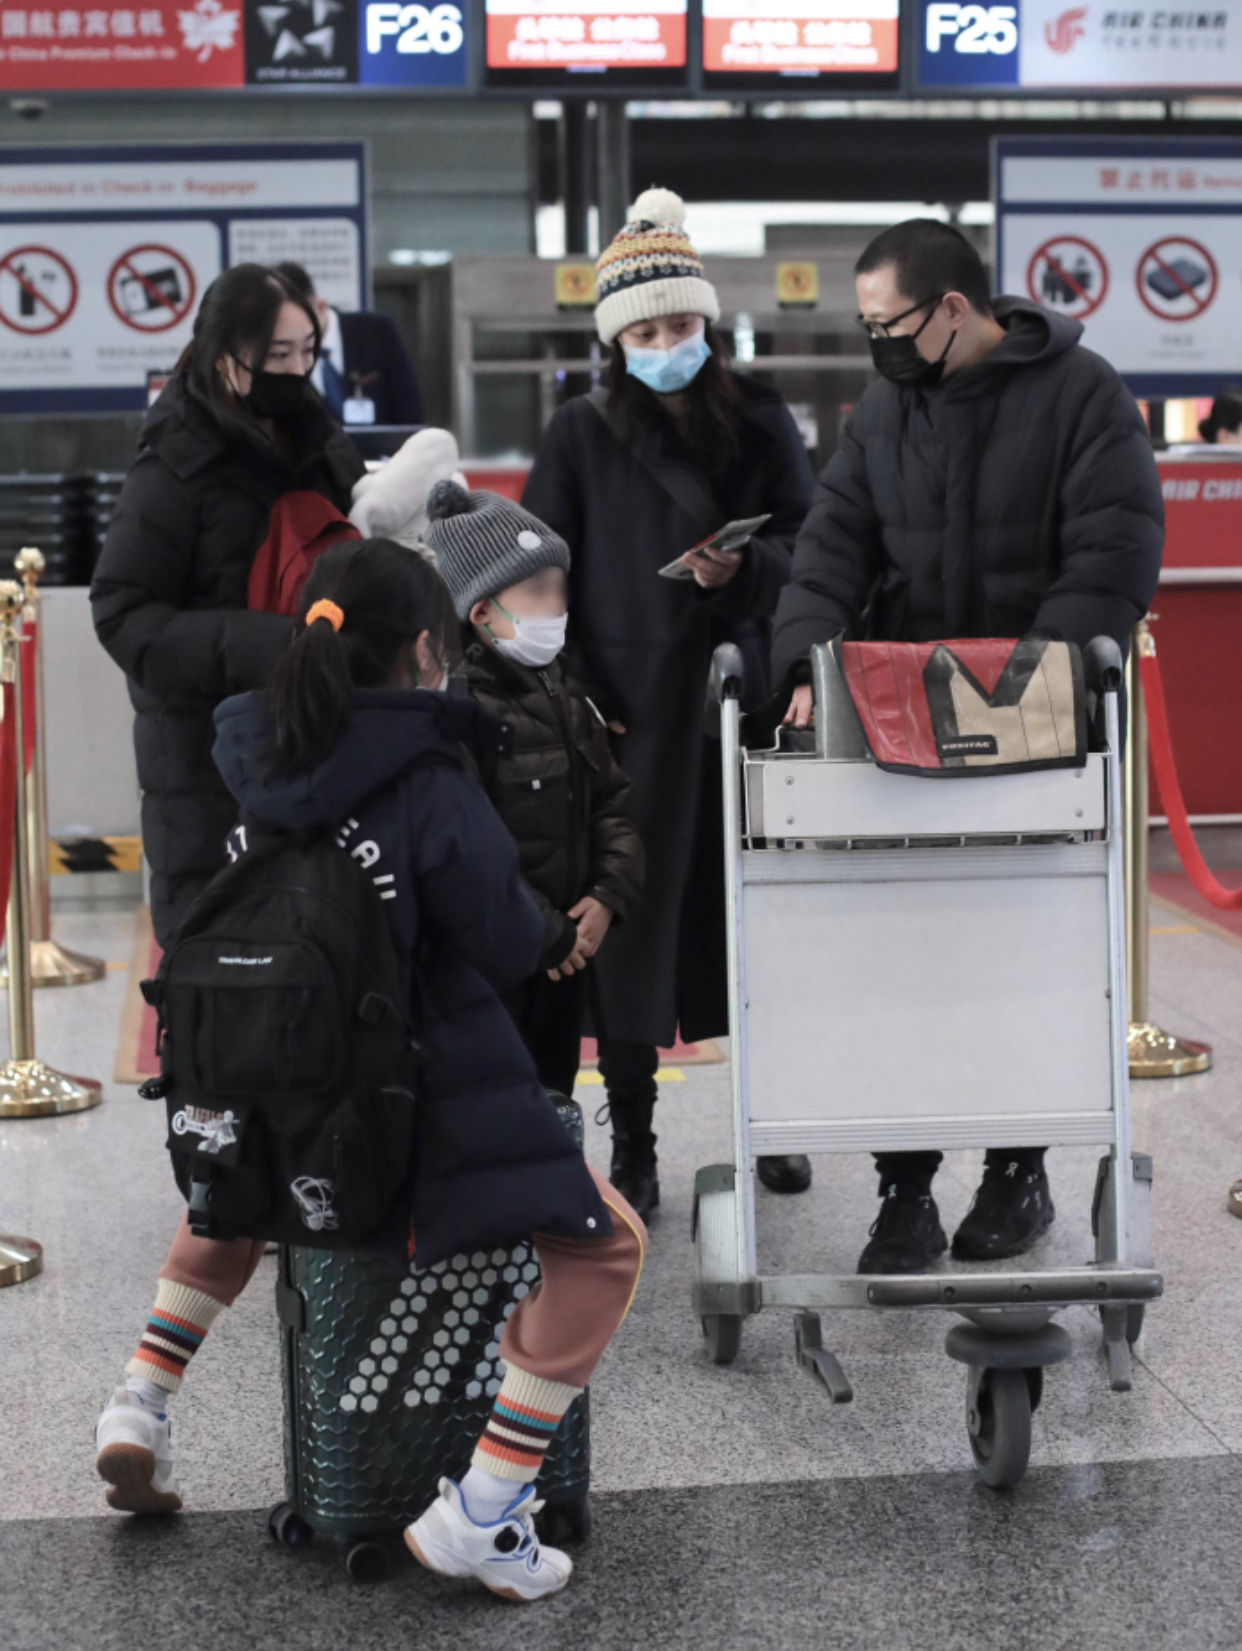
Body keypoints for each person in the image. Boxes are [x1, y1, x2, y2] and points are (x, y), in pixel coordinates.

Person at [94, 539, 646, 1606]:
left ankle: (138, 1404)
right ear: (426, 650)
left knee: (232, 1196)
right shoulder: (426, 774)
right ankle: (483, 1510)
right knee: (604, 1252)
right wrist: (550, 935)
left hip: (274, 1079)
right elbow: (495, 930)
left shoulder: (259, 756)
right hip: (411, 1092)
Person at [773, 218, 1163, 1274]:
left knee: (1020, 959)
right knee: (906, 962)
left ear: (954, 309)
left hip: (1030, 734)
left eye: (887, 323)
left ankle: (1016, 1171)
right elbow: (833, 541)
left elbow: (1115, 548)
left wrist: (1023, 686)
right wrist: (807, 660)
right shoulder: (888, 408)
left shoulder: (1083, 393)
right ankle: (904, 1188)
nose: (877, 345)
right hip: (899, 735)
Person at [522, 187, 815, 1218]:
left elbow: (817, 550)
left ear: (710, 323)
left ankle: (773, 1120)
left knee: (755, 925)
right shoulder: (579, 433)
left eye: (682, 326)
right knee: (632, 936)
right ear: (616, 341)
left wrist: (741, 577)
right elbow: (536, 569)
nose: (666, 345)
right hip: (627, 713)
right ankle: (635, 1139)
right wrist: (576, 696)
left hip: (743, 698)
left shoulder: (763, 419)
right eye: (644, 332)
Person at [91, 262, 366, 951]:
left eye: (308, 352)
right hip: (205, 770)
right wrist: (274, 644)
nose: (297, 371)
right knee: (224, 983)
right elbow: (125, 615)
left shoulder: (315, 436)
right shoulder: (173, 466)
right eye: (278, 355)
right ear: (227, 359)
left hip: (318, 744)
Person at [424, 480, 645, 1102]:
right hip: (503, 964)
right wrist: (545, 935)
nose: (556, 606)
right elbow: (467, 850)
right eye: (536, 592)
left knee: (557, 1102)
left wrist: (605, 896)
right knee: (500, 1107)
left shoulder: (567, 695)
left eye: (559, 589)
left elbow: (614, 803)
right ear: (482, 612)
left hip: (568, 956)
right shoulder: (462, 711)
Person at [275, 260, 424, 428]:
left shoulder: (376, 332)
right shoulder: (281, 360)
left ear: (320, 305)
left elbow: (410, 412)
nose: (293, 335)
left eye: (300, 323)